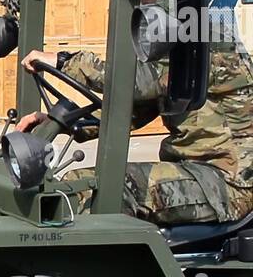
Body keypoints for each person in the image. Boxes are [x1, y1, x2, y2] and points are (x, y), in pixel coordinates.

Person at [17, 45, 253, 225]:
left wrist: (63, 61)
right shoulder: (172, 52)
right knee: (74, 182)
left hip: (229, 183)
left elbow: (132, 81)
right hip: (197, 173)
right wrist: (58, 122)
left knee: (96, 188)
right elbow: (128, 113)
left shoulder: (209, 48)